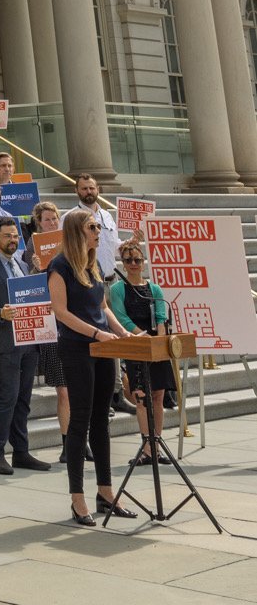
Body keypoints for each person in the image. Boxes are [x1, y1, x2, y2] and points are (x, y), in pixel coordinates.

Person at [47, 206, 133, 526]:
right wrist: (97, 333)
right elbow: (61, 312)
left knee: (101, 420)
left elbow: (102, 306)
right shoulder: (59, 266)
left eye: (98, 227)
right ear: (76, 232)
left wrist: (121, 333)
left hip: (102, 347)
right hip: (76, 347)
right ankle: (77, 498)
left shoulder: (93, 264)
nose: (98, 232)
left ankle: (106, 492)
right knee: (80, 421)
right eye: (92, 227)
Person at [0, 213, 50, 475]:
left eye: (16, 236)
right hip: (4, 340)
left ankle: (21, 451)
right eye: (7, 236)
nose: (13, 240)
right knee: (8, 397)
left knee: (24, 399)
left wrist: (36, 275)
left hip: (29, 339)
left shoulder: (21, 262)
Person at [109, 238, 176, 455]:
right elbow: (121, 318)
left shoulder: (154, 288)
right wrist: (143, 337)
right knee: (141, 397)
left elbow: (160, 315)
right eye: (128, 260)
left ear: (144, 263)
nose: (133, 263)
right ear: (123, 264)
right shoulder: (118, 289)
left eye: (137, 259)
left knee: (157, 396)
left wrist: (159, 341)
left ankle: (157, 446)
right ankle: (147, 448)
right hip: (136, 344)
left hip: (155, 346)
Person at [26, 198, 69, 438]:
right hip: (52, 319)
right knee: (63, 389)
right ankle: (68, 442)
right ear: (39, 224)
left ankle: (79, 438)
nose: (52, 222)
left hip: (74, 316)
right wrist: (35, 268)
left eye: (54, 218)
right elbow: (31, 286)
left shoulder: (71, 242)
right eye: (47, 219)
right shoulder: (33, 247)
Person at [74, 173, 120, 278]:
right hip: (89, 282)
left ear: (97, 189)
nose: (89, 191)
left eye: (91, 188)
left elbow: (115, 247)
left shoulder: (107, 215)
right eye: (84, 188)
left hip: (113, 280)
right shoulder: (70, 218)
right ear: (76, 191)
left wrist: (133, 241)